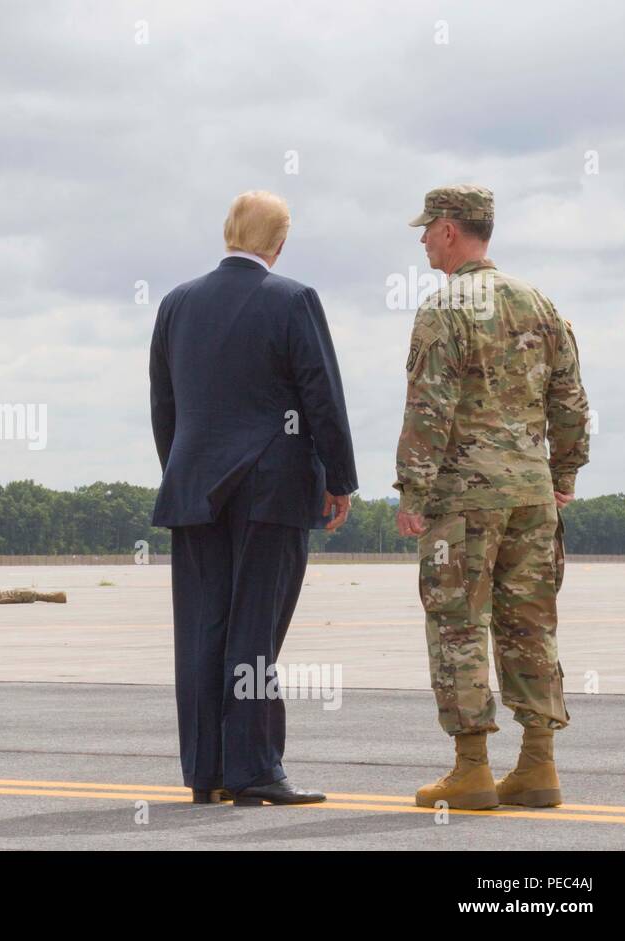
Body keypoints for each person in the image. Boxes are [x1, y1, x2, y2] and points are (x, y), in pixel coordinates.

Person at [149, 190, 357, 806]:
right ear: (280, 242)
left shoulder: (176, 303)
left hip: (194, 490)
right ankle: (256, 770)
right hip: (271, 491)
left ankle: (206, 773)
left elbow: (165, 407)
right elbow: (321, 396)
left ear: (228, 233)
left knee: (200, 632)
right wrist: (338, 479)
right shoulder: (293, 299)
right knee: (254, 635)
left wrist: (184, 473)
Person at [395, 185, 590, 810]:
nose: (423, 239)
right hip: (532, 494)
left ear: (451, 230)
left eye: (428, 229)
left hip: (464, 498)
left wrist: (413, 491)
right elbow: (571, 402)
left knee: (457, 624)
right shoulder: (540, 303)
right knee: (530, 625)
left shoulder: (445, 306)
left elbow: (430, 408)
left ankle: (472, 768)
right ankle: (538, 766)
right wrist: (563, 476)